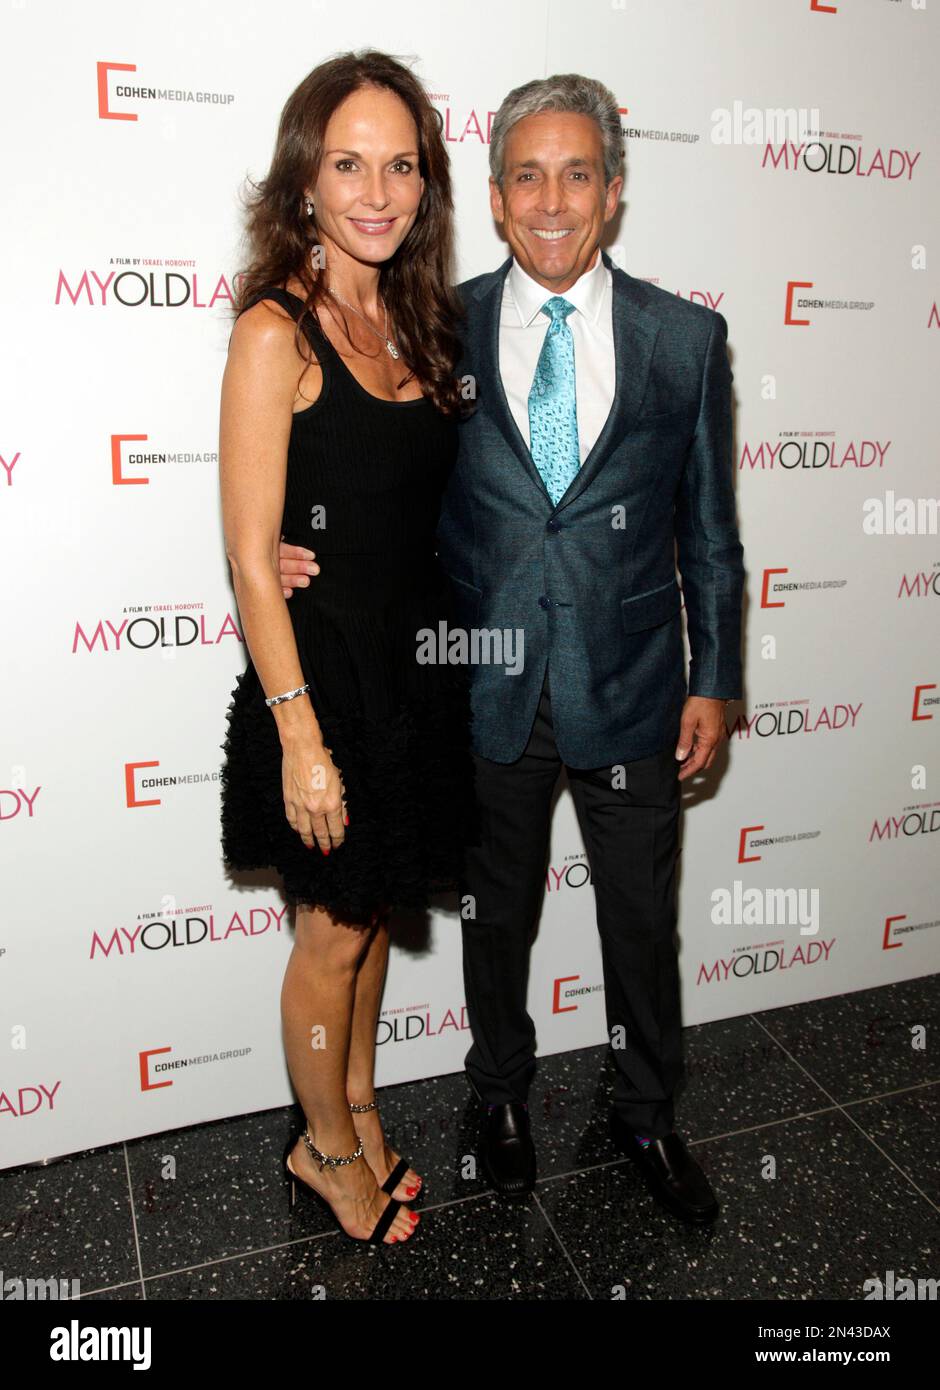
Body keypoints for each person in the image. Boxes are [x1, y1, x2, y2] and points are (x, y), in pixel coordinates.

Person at [278, 73, 744, 1225]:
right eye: (525, 175)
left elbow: (713, 533)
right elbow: (372, 468)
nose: (550, 199)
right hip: (479, 687)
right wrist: (301, 539)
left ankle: (643, 1109)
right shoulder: (436, 329)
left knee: (639, 924)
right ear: (491, 198)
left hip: (635, 689)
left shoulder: (684, 340)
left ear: (613, 192)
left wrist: (717, 679)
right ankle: (497, 1099)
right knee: (498, 918)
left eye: (576, 173)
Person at [218, 50, 476, 1246]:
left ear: (425, 183)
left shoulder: (417, 315)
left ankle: (359, 1105)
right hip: (324, 682)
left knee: (370, 917)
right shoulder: (276, 330)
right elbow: (248, 555)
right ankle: (321, 1151)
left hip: (412, 672)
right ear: (304, 181)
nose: (377, 190)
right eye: (348, 163)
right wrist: (300, 738)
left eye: (401, 165)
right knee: (332, 934)